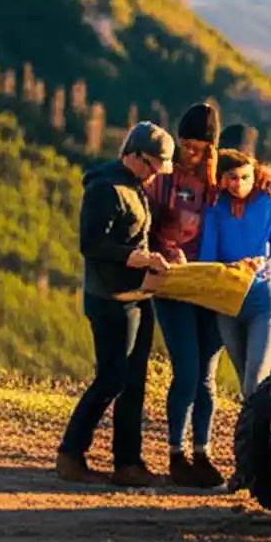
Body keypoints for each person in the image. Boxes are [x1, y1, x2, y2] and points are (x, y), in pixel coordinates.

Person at [56, 122, 174, 487]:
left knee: (133, 382)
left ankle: (128, 463)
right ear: (134, 155)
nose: (155, 175)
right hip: (110, 299)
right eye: (153, 166)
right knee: (111, 379)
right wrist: (134, 258)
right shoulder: (106, 188)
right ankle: (71, 454)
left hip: (137, 297)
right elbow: (91, 244)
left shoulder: (134, 186)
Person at [145, 103, 225, 488]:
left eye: (198, 147)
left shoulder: (219, 182)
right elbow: (143, 221)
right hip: (173, 283)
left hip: (210, 286)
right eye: (185, 145)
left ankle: (202, 451)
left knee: (207, 378)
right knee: (187, 370)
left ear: (211, 149)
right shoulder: (162, 179)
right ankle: (176, 453)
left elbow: (255, 181)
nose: (189, 153)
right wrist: (162, 251)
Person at [199, 150, 271, 402]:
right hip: (227, 301)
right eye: (232, 177)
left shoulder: (270, 204)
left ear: (255, 176)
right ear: (222, 178)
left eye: (245, 177)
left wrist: (270, 264)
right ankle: (261, 422)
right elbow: (208, 257)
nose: (238, 184)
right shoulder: (214, 208)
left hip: (263, 298)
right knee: (244, 378)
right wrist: (230, 268)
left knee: (256, 379)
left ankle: (262, 426)